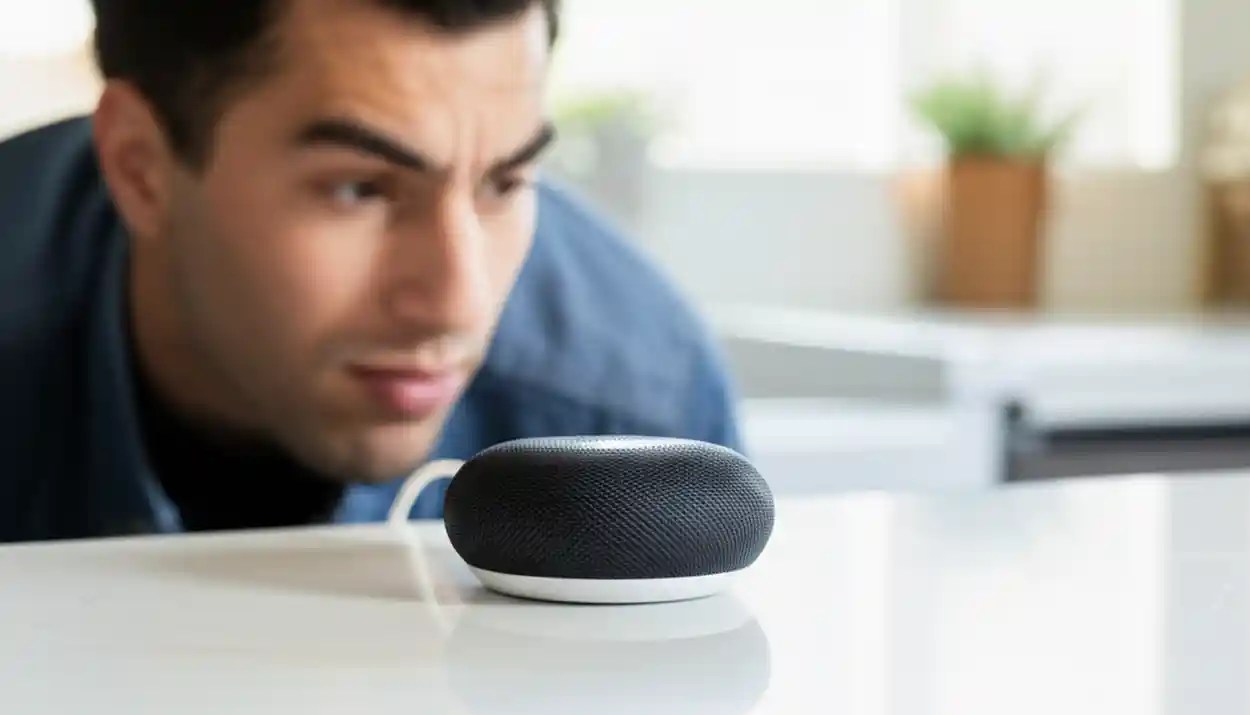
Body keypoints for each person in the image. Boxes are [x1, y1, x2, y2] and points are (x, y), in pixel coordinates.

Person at [0, 0, 741, 543]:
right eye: (360, 189)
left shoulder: (634, 407)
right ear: (141, 168)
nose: (457, 302)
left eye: (505, 181)